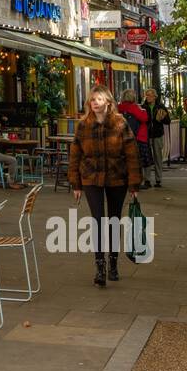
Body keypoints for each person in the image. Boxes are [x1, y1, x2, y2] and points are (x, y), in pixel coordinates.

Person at [69, 85, 141, 287]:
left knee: (114, 221)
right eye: (92, 99)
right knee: (98, 221)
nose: (95, 103)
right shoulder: (83, 126)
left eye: (99, 99)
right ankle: (99, 267)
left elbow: (132, 154)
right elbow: (75, 155)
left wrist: (134, 184)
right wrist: (76, 183)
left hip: (117, 178)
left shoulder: (120, 123)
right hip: (91, 178)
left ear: (108, 102)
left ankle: (113, 263)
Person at [117, 90, 154, 187]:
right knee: (141, 161)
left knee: (126, 160)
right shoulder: (134, 108)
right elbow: (144, 118)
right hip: (138, 138)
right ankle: (141, 181)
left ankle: (126, 180)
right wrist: (143, 110)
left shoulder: (119, 108)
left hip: (122, 138)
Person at [143, 88, 170, 186]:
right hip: (147, 135)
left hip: (158, 135)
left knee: (158, 157)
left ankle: (158, 180)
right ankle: (147, 180)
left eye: (150, 95)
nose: (148, 97)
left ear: (155, 97)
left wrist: (162, 118)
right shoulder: (143, 107)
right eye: (147, 95)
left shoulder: (160, 106)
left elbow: (168, 121)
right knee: (147, 158)